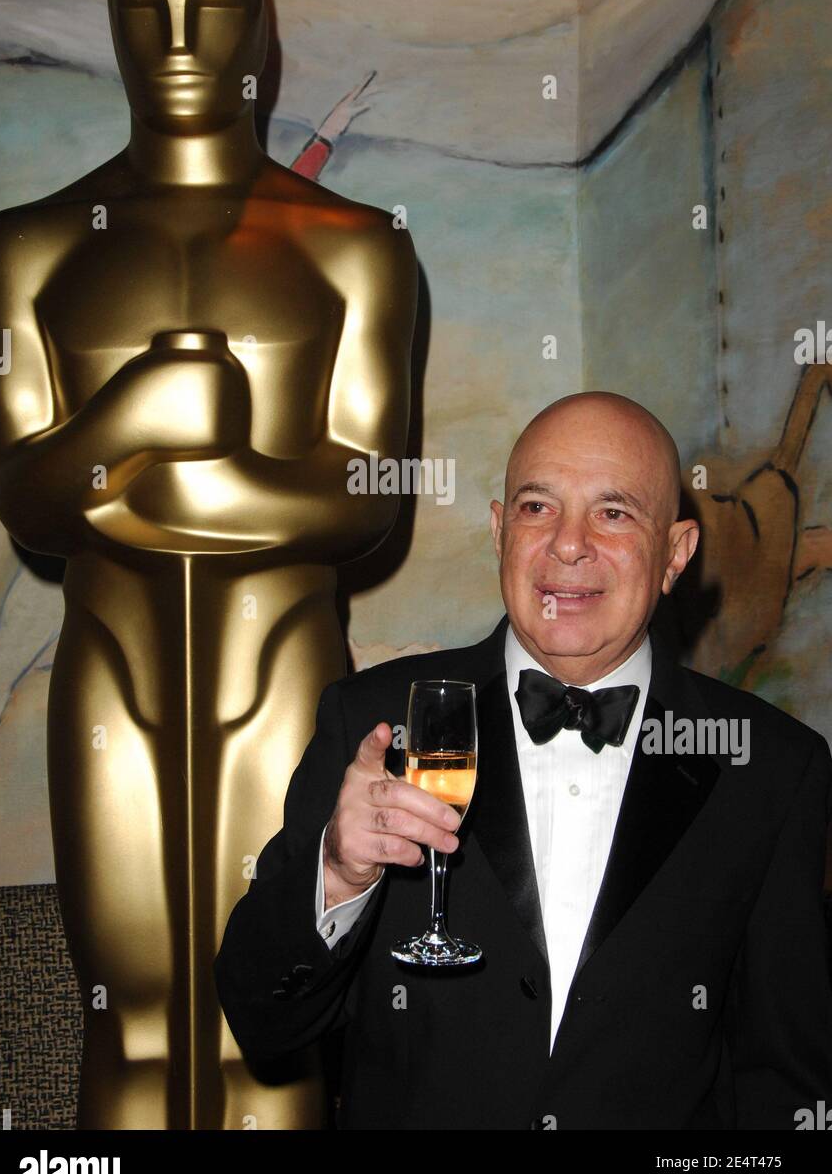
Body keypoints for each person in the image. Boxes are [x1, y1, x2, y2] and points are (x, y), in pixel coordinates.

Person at [214, 391, 832, 1130]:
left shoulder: (770, 767)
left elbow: (786, 1076)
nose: (568, 545)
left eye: (612, 512)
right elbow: (262, 1018)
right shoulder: (374, 720)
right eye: (538, 507)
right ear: (500, 531)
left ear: (674, 555)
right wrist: (338, 876)